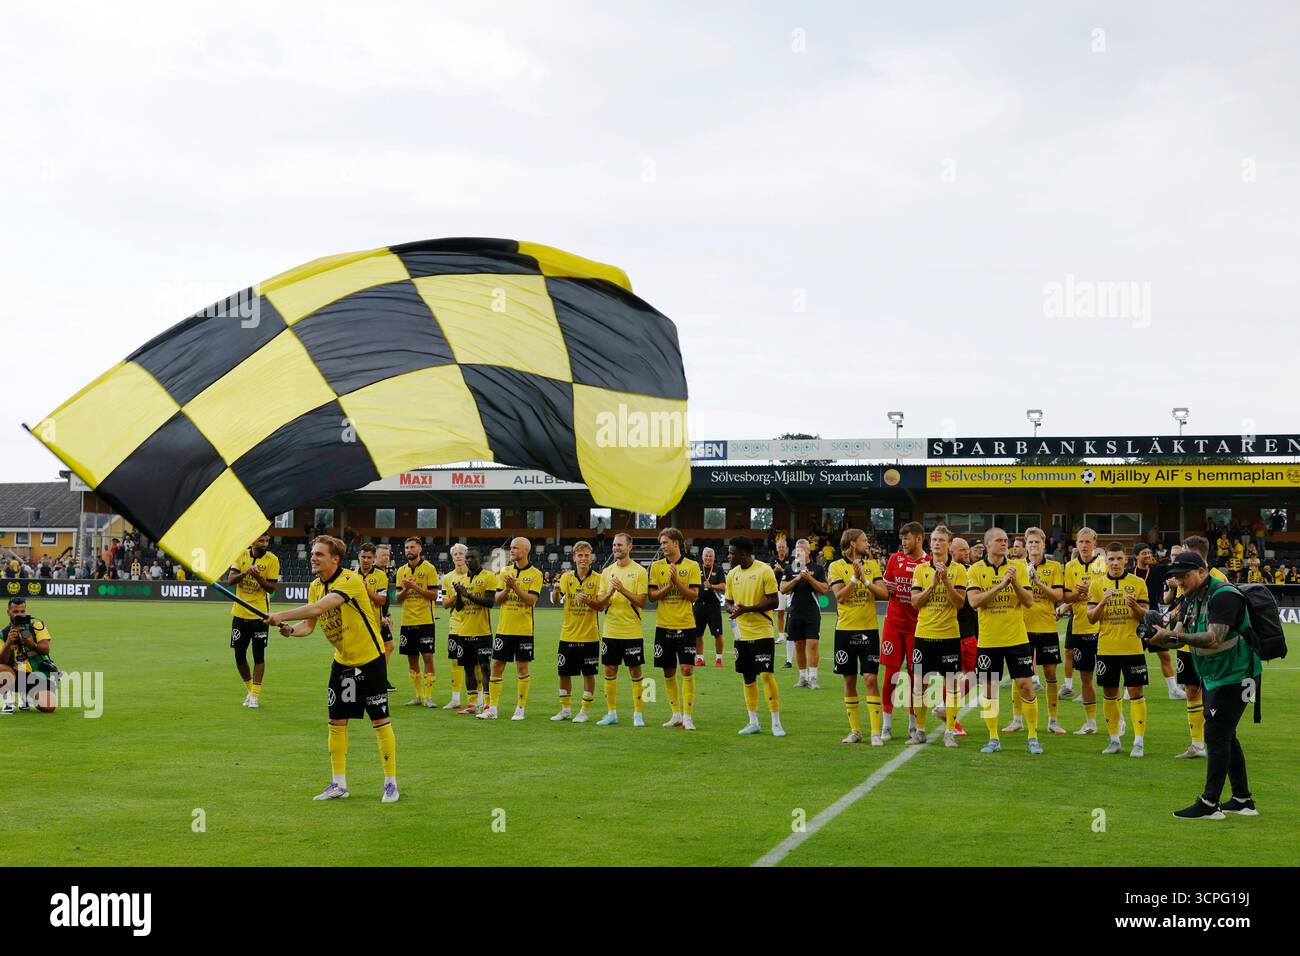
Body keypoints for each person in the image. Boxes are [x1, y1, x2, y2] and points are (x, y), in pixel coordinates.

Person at [266, 535, 397, 803]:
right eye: (313, 553)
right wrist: (291, 631)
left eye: (319, 554)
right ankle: (339, 784)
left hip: (370, 661)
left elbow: (320, 607)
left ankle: (390, 783)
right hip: (342, 663)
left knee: (379, 722)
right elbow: (310, 625)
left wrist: (281, 615)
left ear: (335, 559)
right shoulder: (314, 585)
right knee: (336, 722)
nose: (313, 557)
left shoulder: (350, 580)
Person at [1149, 551, 1261, 819]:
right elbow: (1177, 634)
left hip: (1238, 675)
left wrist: (1174, 637)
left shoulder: (1224, 595)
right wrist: (1157, 636)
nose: (1179, 581)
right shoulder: (1191, 598)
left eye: (1184, 575)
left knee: (1215, 734)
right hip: (1216, 675)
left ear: (1202, 571)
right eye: (1176, 577)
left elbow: (1214, 637)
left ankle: (1210, 804)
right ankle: (1243, 799)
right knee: (1226, 735)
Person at [966, 527, 1042, 755]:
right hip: (988, 641)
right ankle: (993, 738)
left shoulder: (1018, 566)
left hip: (1016, 639)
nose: (1004, 543)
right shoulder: (976, 570)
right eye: (999, 540)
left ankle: (1032, 736)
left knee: (1026, 687)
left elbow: (1028, 601)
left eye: (1006, 540)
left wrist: (1015, 583)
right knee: (989, 690)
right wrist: (1000, 586)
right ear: (987, 544)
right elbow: (974, 601)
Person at [1087, 542, 1151, 757]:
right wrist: (1102, 603)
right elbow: (1091, 617)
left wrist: (1134, 606)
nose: (1115, 563)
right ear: (1105, 561)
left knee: (1136, 692)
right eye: (1111, 559)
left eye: (1119, 559)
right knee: (1109, 693)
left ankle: (1139, 742)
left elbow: (1147, 618)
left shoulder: (1138, 583)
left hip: (1132, 648)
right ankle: (1114, 739)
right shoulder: (1097, 585)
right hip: (1106, 649)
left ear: (1126, 560)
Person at [828, 528, 888, 745]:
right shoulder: (835, 566)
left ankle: (875, 732)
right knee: (849, 679)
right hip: (845, 631)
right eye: (864, 540)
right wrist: (854, 578)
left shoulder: (872, 565)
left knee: (871, 678)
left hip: (869, 630)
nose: (868, 543)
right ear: (853, 543)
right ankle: (855, 731)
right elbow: (840, 597)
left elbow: (884, 594)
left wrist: (865, 581)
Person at [910, 525, 967, 747]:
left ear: (949, 544)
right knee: (919, 685)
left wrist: (946, 583)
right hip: (924, 635)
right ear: (929, 543)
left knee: (951, 685)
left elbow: (960, 603)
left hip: (949, 636)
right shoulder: (920, 570)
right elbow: (915, 602)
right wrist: (933, 585)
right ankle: (920, 730)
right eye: (934, 540)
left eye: (941, 540)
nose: (937, 543)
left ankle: (949, 732)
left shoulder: (959, 571)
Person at [725, 536, 784, 736]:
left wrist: (747, 609)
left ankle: (776, 722)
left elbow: (774, 601)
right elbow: (728, 602)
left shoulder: (764, 570)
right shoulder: (732, 574)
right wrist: (733, 609)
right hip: (741, 634)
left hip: (762, 632)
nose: (729, 555)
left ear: (742, 553)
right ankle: (753, 722)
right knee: (748, 677)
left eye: (732, 552)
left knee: (766, 674)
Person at [589, 533, 649, 726]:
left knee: (635, 671)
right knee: (609, 670)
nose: (616, 548)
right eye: (614, 545)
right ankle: (611, 713)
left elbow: (642, 601)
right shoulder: (607, 572)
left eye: (620, 545)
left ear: (629, 547)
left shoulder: (639, 571)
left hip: (632, 631)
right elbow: (599, 603)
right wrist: (611, 593)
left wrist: (622, 589)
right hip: (611, 631)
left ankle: (638, 714)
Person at [481, 536, 543, 721]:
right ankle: (492, 708)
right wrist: (507, 589)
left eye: (515, 548)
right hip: (504, 629)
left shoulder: (536, 574)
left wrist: (514, 586)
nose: (512, 550)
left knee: (522, 668)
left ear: (526, 551)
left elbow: (531, 601)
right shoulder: (505, 571)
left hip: (523, 630)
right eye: (511, 547)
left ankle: (520, 708)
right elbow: (498, 600)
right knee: (496, 666)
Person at [649, 528, 702, 729]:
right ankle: (676, 714)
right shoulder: (656, 567)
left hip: (686, 626)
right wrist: (668, 586)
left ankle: (688, 716)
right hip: (663, 626)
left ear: (676, 543)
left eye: (665, 542)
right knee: (668, 671)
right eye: (661, 543)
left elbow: (693, 596)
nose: (662, 546)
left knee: (686, 669)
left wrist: (676, 582)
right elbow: (652, 597)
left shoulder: (692, 566)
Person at [880, 521, 927, 741]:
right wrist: (885, 588)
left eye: (906, 539)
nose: (903, 543)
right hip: (894, 625)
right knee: (891, 674)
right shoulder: (894, 559)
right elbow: (884, 587)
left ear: (918, 539)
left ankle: (912, 723)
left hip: (918, 627)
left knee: (915, 676)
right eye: (902, 539)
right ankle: (886, 725)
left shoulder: (929, 563)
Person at [222, 533, 280, 709]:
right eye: (261, 540)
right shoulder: (241, 555)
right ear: (252, 541)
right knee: (239, 655)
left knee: (258, 655)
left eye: (267, 541)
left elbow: (271, 588)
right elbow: (230, 580)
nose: (264, 544)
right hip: (239, 614)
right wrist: (246, 572)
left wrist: (258, 577)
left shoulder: (272, 560)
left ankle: (255, 696)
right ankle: (250, 690)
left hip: (259, 615)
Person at [1022, 527, 1066, 736]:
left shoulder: (1055, 567)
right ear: (1025, 545)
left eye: (1037, 542)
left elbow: (1058, 595)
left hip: (1046, 626)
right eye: (1030, 543)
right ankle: (1016, 719)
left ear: (1043, 544)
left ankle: (1053, 719)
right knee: (1020, 674)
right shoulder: (1018, 567)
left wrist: (1038, 582)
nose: (1033, 546)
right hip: (1022, 628)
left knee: (1050, 673)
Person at [550, 541, 601, 722]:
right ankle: (565, 710)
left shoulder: (598, 579)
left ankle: (584, 711)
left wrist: (588, 601)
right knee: (564, 673)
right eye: (579, 555)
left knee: (589, 674)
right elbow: (556, 600)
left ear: (591, 558)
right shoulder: (566, 578)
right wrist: (556, 591)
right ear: (574, 558)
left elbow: (601, 606)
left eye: (586, 555)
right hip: (567, 635)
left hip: (590, 636)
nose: (583, 559)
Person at [1061, 528, 1106, 733]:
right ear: (1076, 544)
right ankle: (1090, 723)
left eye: (1088, 542)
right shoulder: (1070, 567)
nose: (1084, 545)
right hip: (1080, 626)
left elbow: (1110, 591)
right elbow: (1066, 598)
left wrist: (1092, 592)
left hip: (1104, 628)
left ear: (1095, 544)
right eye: (1081, 542)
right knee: (1085, 677)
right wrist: (1076, 593)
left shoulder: (1103, 565)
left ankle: (1117, 718)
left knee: (1108, 677)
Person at [448, 547, 496, 714]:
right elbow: (459, 608)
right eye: (466, 558)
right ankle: (472, 704)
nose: (468, 561)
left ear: (479, 558)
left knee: (484, 666)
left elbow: (490, 602)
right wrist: (459, 595)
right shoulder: (463, 580)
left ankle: (489, 704)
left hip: (482, 632)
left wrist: (468, 595)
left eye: (471, 558)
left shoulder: (488, 577)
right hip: (464, 632)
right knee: (468, 668)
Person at [1133, 544, 1181, 700]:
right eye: (1143, 553)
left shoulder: (1157, 570)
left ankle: (1173, 690)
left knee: (1165, 655)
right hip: (1134, 620)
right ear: (1136, 556)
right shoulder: (1129, 573)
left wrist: (1173, 585)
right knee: (1133, 657)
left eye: (1148, 552)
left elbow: (1174, 569)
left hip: (1154, 619)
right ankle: (1129, 690)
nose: (1147, 555)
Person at [395, 537, 439, 708]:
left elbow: (434, 595)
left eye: (412, 547)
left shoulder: (429, 569)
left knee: (427, 656)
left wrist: (416, 588)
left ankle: (428, 696)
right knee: (412, 659)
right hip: (407, 621)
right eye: (406, 548)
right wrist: (406, 588)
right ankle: (418, 696)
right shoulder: (401, 571)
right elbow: (397, 599)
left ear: (419, 549)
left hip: (425, 620)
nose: (408, 550)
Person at [780, 538, 829, 689]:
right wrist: (798, 579)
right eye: (797, 549)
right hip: (795, 612)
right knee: (799, 645)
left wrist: (809, 578)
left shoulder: (817, 568)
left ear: (808, 551)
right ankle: (802, 678)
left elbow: (824, 589)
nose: (799, 552)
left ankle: (813, 677)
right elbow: (782, 588)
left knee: (813, 644)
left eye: (802, 549)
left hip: (812, 612)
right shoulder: (789, 569)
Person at [1, 599, 58, 714]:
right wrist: (8, 643)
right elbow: (1, 660)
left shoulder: (37, 626)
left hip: (36, 675)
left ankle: (27, 696)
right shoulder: (3, 633)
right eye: (15, 611)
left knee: (48, 707)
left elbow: (45, 649)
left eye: (22, 611)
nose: (19, 614)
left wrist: (31, 643)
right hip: (14, 676)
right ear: (8, 612)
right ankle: (8, 701)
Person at [438, 544, 473, 711]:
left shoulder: (474, 575)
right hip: (455, 623)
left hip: (473, 622)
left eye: (461, 554)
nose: (458, 556)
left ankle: (477, 699)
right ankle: (456, 698)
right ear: (452, 557)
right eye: (455, 554)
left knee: (474, 662)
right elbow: (445, 604)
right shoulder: (447, 578)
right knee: (455, 660)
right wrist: (457, 593)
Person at [358, 543, 391, 693]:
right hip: (357, 625)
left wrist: (366, 590)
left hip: (374, 624)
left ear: (373, 559)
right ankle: (362, 684)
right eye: (363, 557)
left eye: (369, 557)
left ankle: (377, 683)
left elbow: (381, 601)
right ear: (359, 557)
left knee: (377, 655)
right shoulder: (351, 576)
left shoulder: (380, 575)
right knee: (358, 656)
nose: (365, 560)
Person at [693, 547, 727, 668]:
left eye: (710, 556)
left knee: (717, 634)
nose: (708, 558)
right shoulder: (696, 569)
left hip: (714, 606)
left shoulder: (718, 569)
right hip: (698, 605)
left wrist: (711, 585)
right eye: (706, 556)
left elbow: (723, 586)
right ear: (702, 557)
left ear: (714, 558)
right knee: (697, 634)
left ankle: (719, 659)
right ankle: (700, 659)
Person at [373, 544, 397, 691]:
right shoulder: (374, 574)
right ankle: (379, 679)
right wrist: (381, 615)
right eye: (383, 555)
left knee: (388, 646)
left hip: (382, 616)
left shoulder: (384, 573)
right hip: (374, 618)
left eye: (388, 555)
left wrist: (387, 613)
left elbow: (384, 597)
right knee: (383, 647)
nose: (386, 558)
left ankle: (380, 678)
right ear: (375, 557)